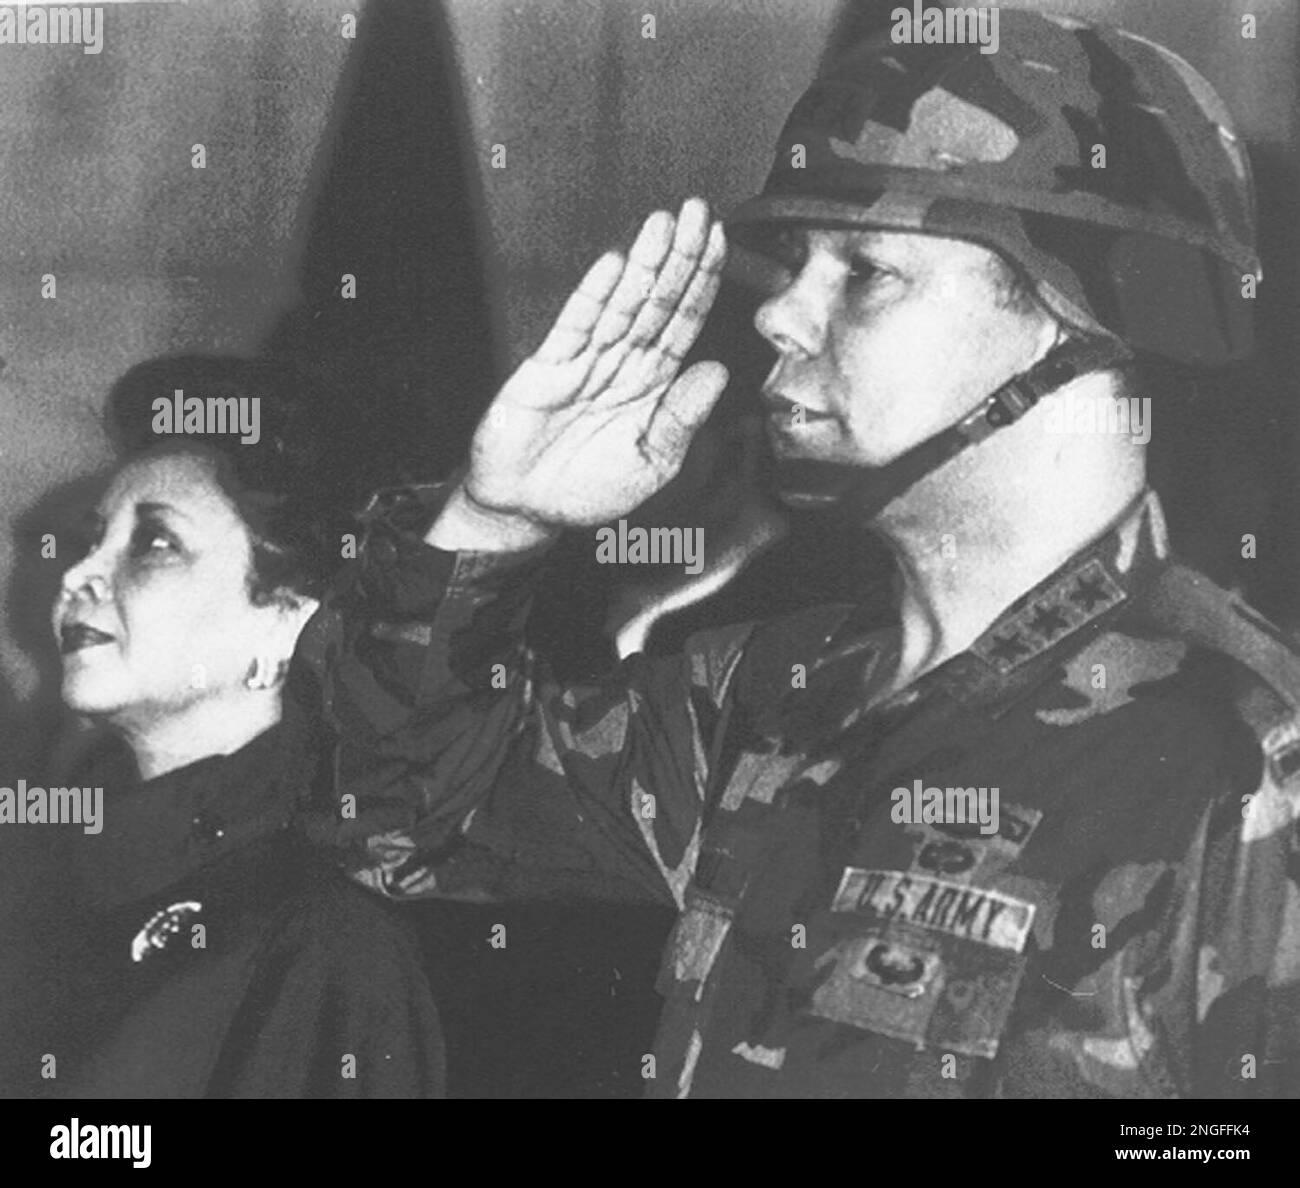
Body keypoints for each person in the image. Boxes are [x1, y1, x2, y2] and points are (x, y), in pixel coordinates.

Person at [312, 10, 1300, 1097]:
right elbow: (403, 823)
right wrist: (494, 527)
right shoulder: (774, 690)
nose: (779, 313)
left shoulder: (1242, 760)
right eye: (797, 262)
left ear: (1077, 325)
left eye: (866, 270)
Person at [26, 355, 445, 1098]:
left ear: (287, 626)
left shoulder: (327, 938)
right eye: (96, 538)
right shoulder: (46, 868)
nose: (78, 574)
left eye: (153, 544)